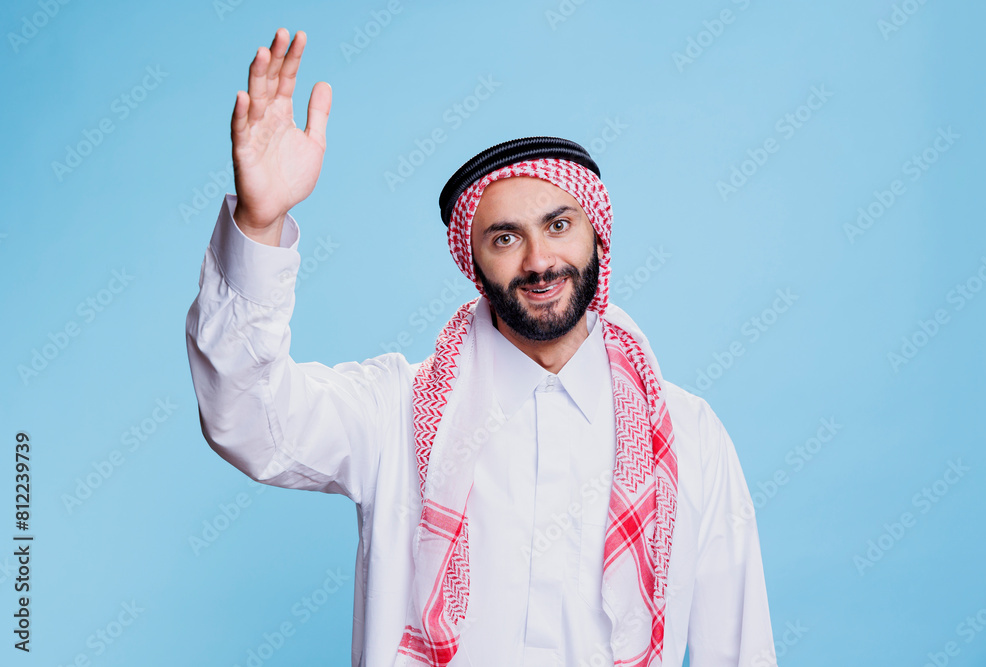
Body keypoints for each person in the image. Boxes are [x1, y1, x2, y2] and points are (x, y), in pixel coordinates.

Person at [186, 27, 777, 667]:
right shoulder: (395, 411)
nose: (539, 260)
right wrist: (260, 222)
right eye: (505, 238)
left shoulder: (688, 435)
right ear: (473, 262)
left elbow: (739, 647)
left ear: (597, 238)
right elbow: (247, 419)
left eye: (558, 225)